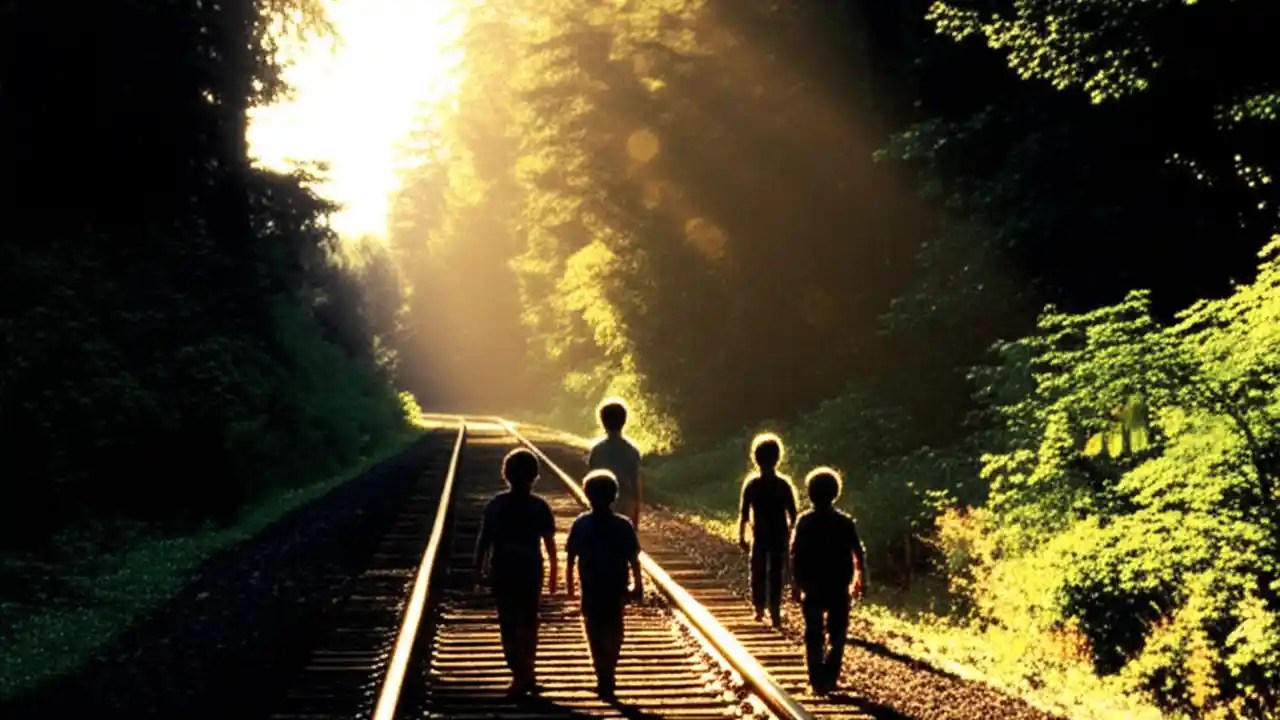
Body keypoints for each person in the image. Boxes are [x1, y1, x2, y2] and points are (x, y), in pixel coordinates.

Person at [474, 448, 559, 696]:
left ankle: (519, 673)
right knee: (530, 620)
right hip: (530, 568)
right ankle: (527, 672)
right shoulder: (539, 506)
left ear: (505, 475)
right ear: (535, 476)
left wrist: (477, 569)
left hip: (502, 568)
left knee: (508, 621)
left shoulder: (496, 505)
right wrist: (554, 572)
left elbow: (484, 540)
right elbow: (550, 543)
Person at [566, 469, 644, 700]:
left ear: (587, 495)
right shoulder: (623, 525)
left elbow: (571, 558)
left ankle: (602, 672)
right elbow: (634, 559)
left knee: (593, 629)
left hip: (591, 587)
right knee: (614, 628)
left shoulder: (581, 524)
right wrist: (637, 586)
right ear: (615, 496)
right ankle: (608, 670)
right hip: (616, 587)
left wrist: (570, 587)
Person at [790, 467, 866, 695]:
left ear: (810, 493)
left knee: (813, 631)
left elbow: (795, 553)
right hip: (838, 584)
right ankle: (831, 676)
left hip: (811, 585)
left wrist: (795, 583)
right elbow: (858, 552)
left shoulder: (804, 522)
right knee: (838, 632)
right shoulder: (844, 522)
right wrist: (861, 577)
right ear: (836, 493)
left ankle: (815, 678)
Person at [738, 432, 798, 627]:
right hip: (779, 534)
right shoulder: (783, 484)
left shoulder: (752, 484)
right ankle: (774, 610)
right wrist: (791, 535)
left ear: (755, 458)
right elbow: (793, 513)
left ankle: (759, 608)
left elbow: (744, 513)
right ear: (778, 458)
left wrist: (741, 536)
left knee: (758, 571)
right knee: (776, 573)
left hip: (760, 535)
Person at [586, 398, 643, 531]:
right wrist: (636, 516)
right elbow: (635, 485)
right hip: (625, 505)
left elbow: (591, 481)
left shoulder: (597, 450)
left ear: (602, 422)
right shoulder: (631, 450)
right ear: (624, 421)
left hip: (601, 505)